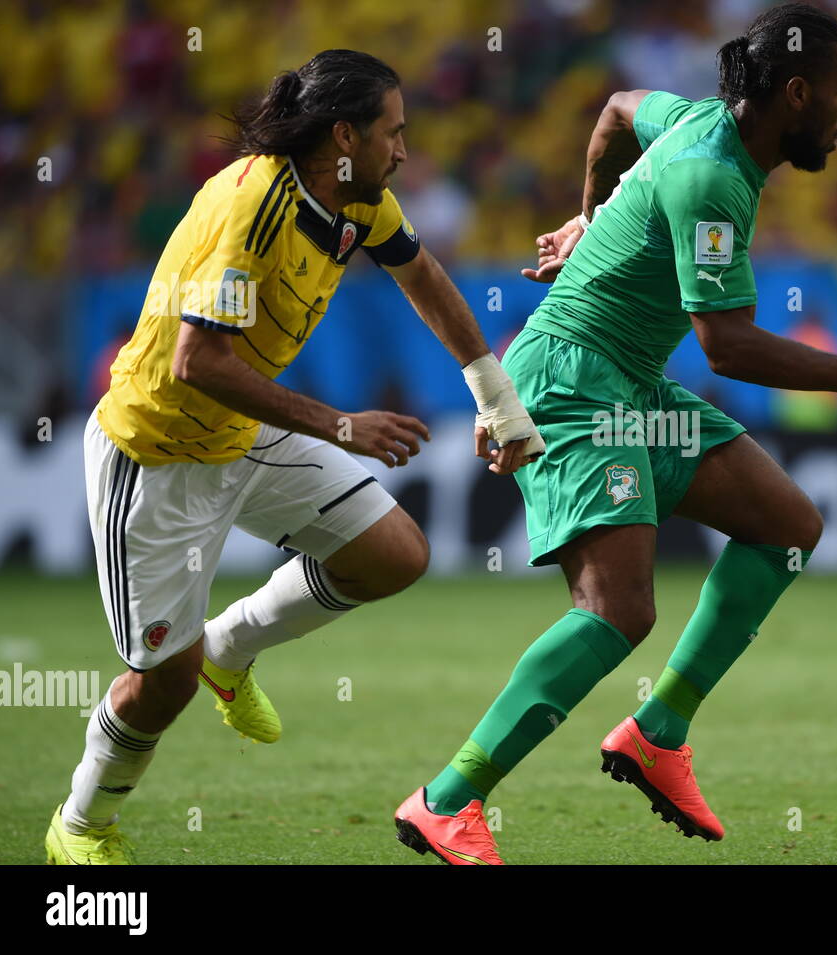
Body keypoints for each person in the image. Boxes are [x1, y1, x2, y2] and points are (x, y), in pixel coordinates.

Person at [393, 3, 837, 865]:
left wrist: (588, 218)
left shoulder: (699, 121)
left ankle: (659, 728)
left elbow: (615, 111)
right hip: (574, 380)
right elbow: (728, 343)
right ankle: (447, 799)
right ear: (794, 93)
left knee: (787, 526)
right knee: (617, 609)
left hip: (628, 380)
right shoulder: (714, 174)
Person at [45, 50, 542, 865]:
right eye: (394, 132)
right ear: (343, 135)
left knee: (393, 554)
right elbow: (198, 361)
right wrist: (341, 427)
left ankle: (230, 649)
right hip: (158, 452)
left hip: (241, 429)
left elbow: (423, 275)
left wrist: (496, 397)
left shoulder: (353, 196)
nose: (405, 151)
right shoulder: (255, 209)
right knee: (159, 686)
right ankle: (80, 822)